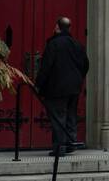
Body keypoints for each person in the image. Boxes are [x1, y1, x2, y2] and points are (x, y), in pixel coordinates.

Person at [34, 16, 89, 156]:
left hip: (56, 88)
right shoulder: (77, 45)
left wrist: (38, 84)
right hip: (74, 88)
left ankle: (60, 148)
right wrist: (78, 79)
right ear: (69, 28)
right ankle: (70, 143)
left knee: (58, 117)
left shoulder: (53, 44)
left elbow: (46, 67)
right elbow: (86, 65)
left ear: (57, 27)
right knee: (70, 115)